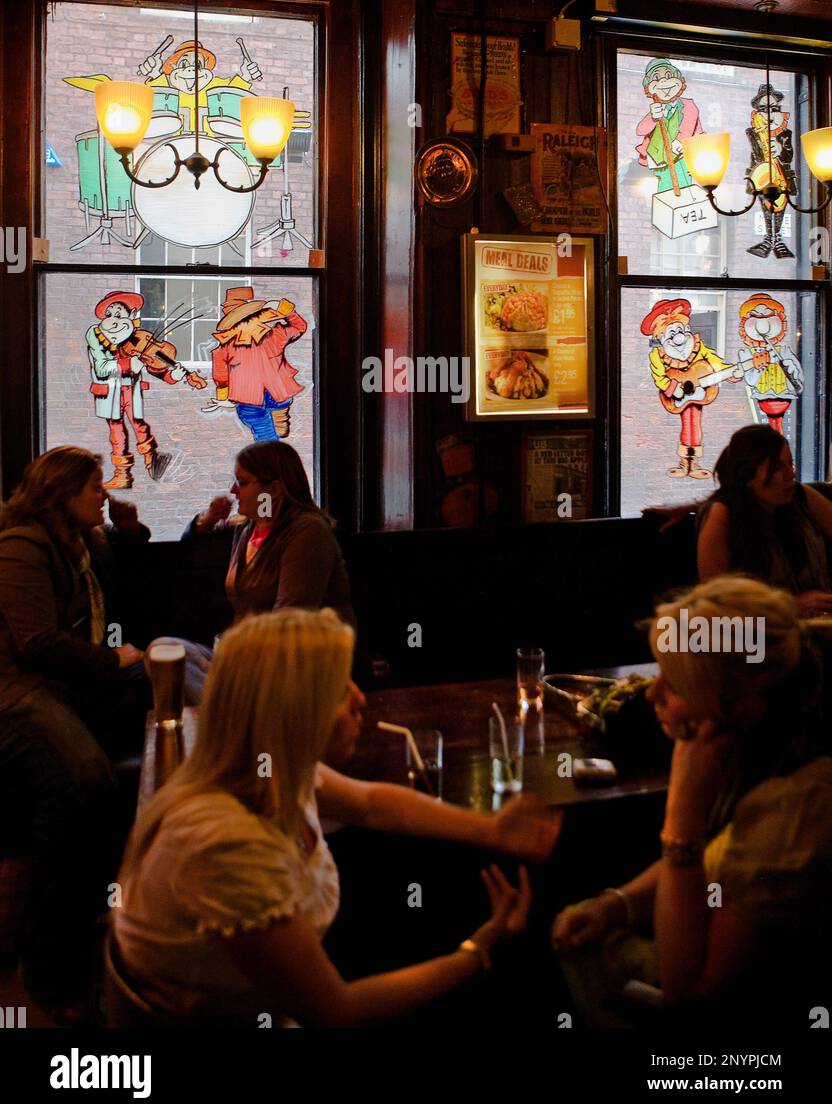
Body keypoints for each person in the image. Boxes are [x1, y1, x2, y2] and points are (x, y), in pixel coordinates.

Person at [114, 608, 562, 1026]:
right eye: (337, 688)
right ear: (291, 710)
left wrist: (491, 829)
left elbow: (370, 803)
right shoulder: (229, 843)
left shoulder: (271, 767)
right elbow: (335, 1010)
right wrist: (478, 951)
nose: (360, 698)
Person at [551, 577, 832, 1024]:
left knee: (576, 952)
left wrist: (681, 808)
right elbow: (720, 860)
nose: (652, 694)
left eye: (675, 683)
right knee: (586, 918)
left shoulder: (796, 808)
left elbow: (690, 990)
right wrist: (617, 904)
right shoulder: (767, 735)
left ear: (738, 701)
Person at [0, 446, 149, 1016]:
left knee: (148, 734)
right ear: (60, 494)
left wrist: (130, 533)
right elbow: (36, 643)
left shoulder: (80, 542)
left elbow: (115, 579)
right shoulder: (21, 544)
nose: (104, 494)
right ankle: (50, 970)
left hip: (65, 688)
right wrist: (115, 663)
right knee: (82, 780)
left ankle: (115, 927)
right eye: (94, 487)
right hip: (17, 692)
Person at [189, 440, 356, 630]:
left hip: (300, 653)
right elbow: (192, 543)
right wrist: (209, 518)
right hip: (251, 645)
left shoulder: (308, 532)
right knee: (164, 646)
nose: (232, 490)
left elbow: (287, 620)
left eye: (241, 482)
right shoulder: (250, 525)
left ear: (273, 490)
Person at [696, 425, 832, 616]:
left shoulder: (799, 495)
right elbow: (715, 604)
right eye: (777, 467)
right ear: (747, 474)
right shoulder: (721, 514)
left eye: (790, 464)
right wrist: (790, 606)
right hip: (763, 636)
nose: (790, 475)